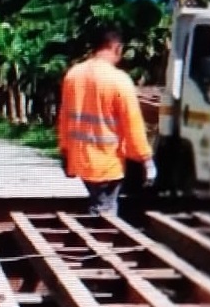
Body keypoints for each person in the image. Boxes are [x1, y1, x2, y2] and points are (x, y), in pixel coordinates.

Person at [58, 27, 155, 215]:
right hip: (107, 164)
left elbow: (64, 118)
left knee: (97, 204)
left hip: (81, 160)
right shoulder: (119, 80)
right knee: (105, 213)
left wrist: (65, 150)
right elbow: (132, 125)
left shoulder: (73, 75)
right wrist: (146, 160)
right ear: (116, 47)